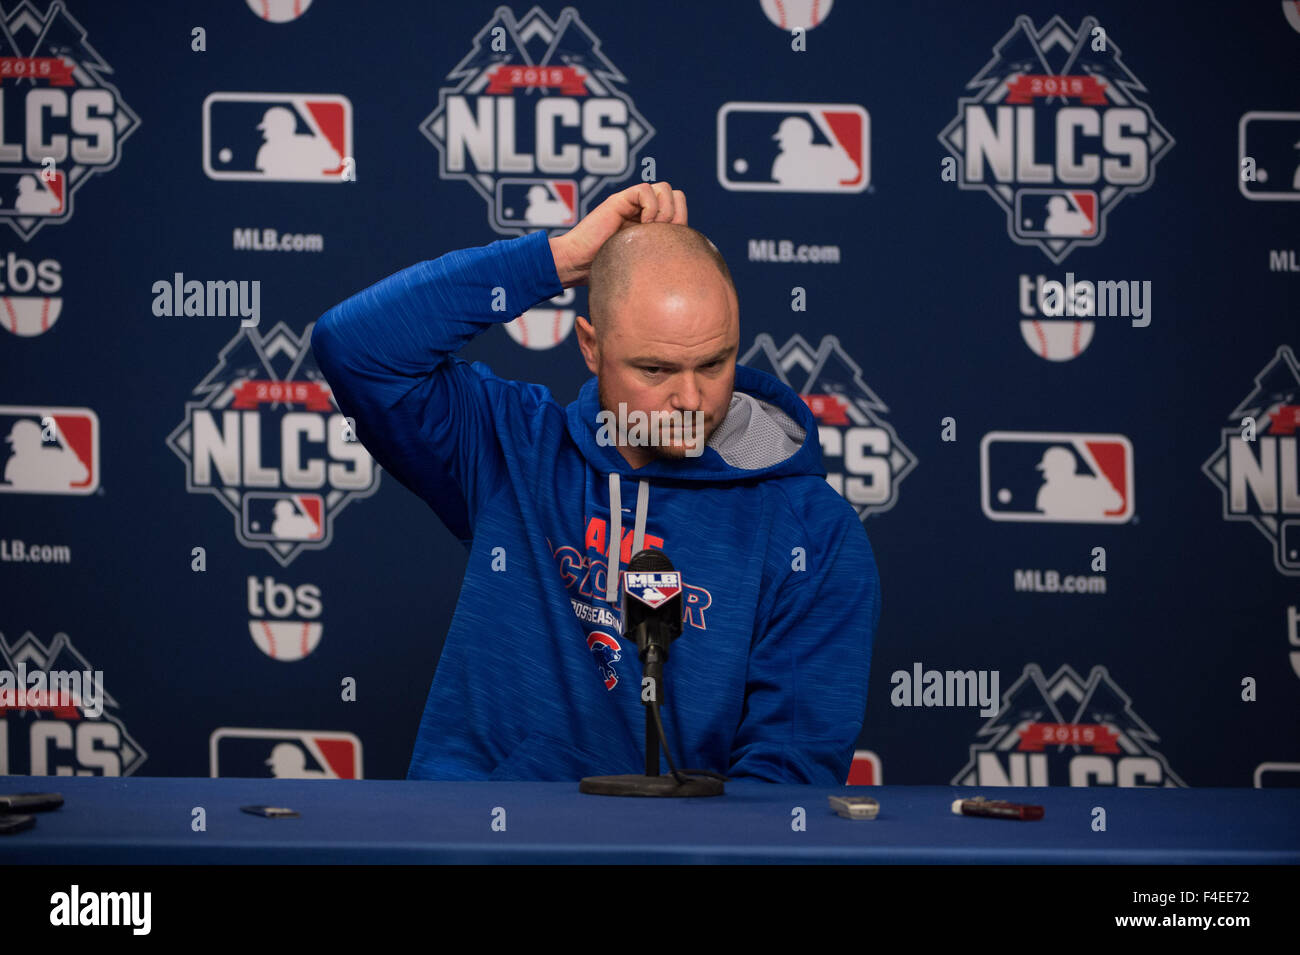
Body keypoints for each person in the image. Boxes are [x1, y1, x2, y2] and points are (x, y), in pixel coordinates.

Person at [311, 181, 881, 784]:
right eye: (655, 368)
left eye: (714, 363)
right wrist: (561, 259)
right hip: (471, 845)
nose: (689, 400)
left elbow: (786, 787)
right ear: (591, 346)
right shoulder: (513, 446)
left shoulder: (812, 534)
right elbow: (353, 346)